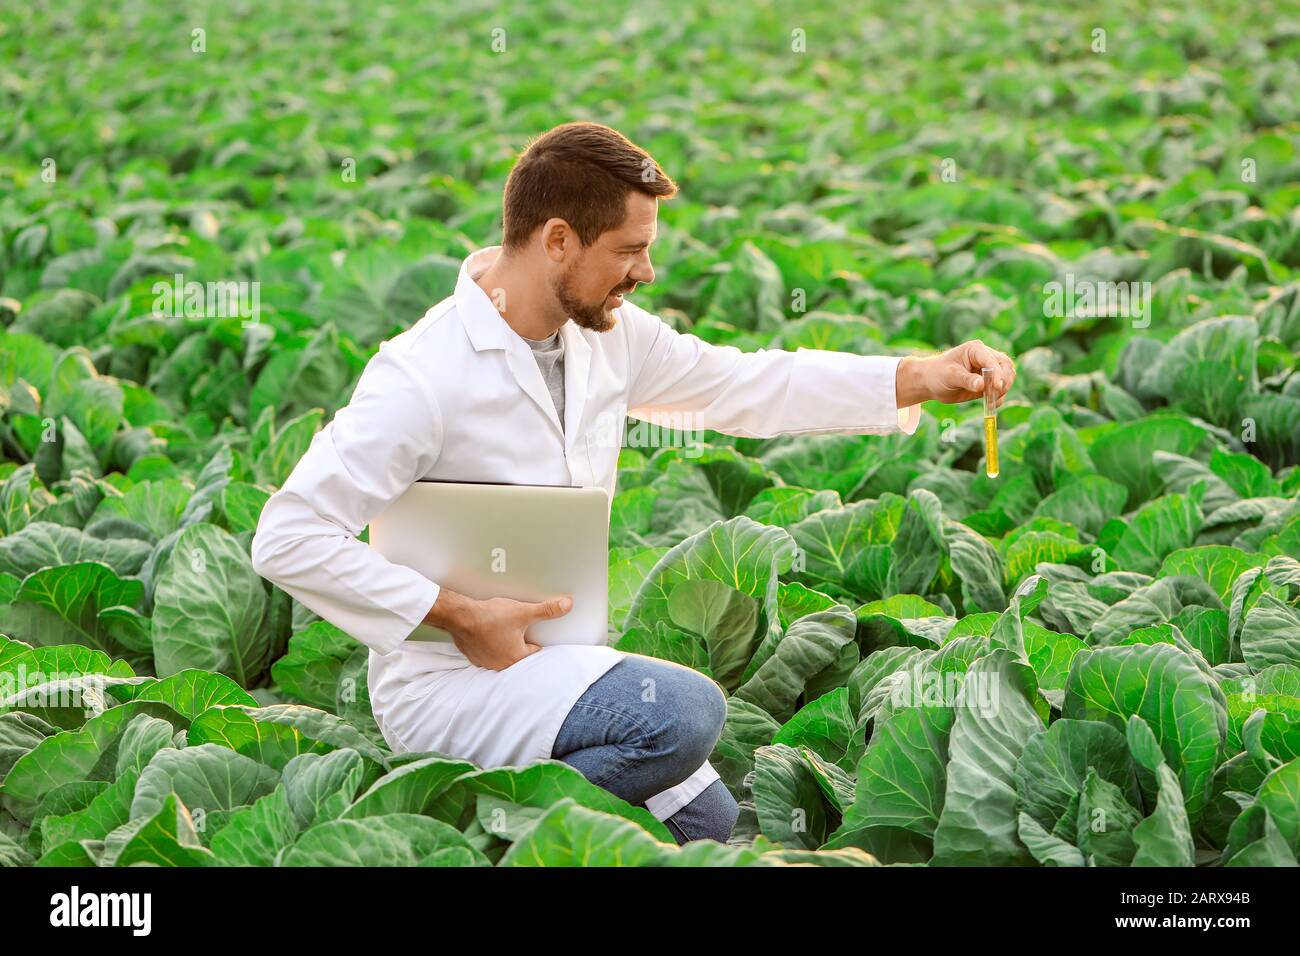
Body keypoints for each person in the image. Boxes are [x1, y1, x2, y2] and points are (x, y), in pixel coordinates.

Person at [250, 121, 1016, 846]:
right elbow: (287, 536)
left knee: (708, 824)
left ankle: (535, 821)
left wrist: (918, 377)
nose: (647, 272)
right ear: (558, 240)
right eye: (631, 249)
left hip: (559, 662)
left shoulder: (606, 338)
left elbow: (743, 385)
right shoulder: (421, 375)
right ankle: (480, 837)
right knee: (682, 715)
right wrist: (453, 613)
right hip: (449, 683)